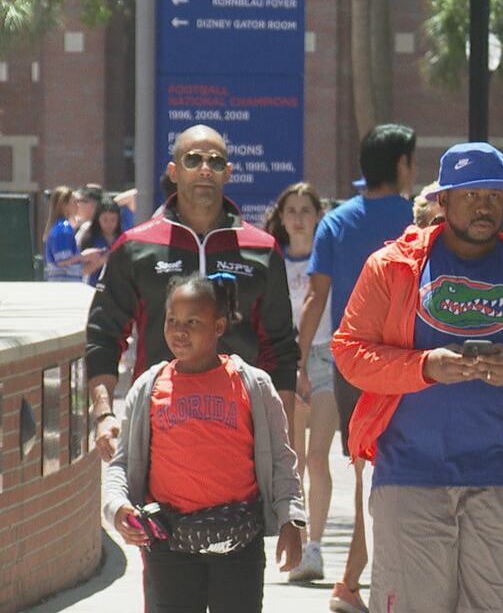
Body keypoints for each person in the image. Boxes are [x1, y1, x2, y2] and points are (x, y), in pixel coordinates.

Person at [331, 141, 503, 612]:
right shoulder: (392, 267)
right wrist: (425, 367)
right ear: (442, 201)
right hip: (410, 475)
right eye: (471, 194)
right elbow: (349, 353)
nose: (484, 205)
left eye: (495, 195)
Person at [85, 125, 300, 464]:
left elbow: (281, 349)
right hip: (157, 434)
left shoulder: (262, 249)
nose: (204, 168)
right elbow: (104, 336)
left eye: (215, 162)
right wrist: (103, 414)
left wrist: (282, 442)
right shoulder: (136, 248)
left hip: (242, 438)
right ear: (173, 171)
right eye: (193, 159)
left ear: (228, 173)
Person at [102, 273, 305, 613]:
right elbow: (122, 463)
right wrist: (117, 506)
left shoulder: (252, 385)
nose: (179, 331)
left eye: (193, 322)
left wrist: (291, 520)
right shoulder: (148, 387)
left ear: (219, 326)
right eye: (172, 321)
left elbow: (283, 461)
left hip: (239, 544)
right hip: (169, 545)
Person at [298, 123, 416, 613]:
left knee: (373, 470)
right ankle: (354, 584)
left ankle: (351, 583)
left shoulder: (336, 223)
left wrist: (298, 361)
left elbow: (314, 297)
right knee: (394, 473)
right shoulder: (418, 221)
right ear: (401, 165)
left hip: (353, 364)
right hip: (410, 362)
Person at [263, 182, 338, 584]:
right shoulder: (274, 261)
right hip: (287, 364)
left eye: (305, 210)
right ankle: (299, 537)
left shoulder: (328, 260)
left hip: (328, 358)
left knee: (317, 458)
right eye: (290, 209)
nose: (297, 217)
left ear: (317, 215)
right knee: (294, 460)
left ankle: (315, 548)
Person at [43, 186, 92, 282]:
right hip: (64, 287)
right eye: (74, 202)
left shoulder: (60, 227)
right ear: (64, 205)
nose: (77, 206)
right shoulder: (63, 228)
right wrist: (86, 256)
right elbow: (62, 261)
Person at [78, 200, 123, 287]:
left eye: (113, 220)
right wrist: (102, 261)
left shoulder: (123, 239)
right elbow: (83, 270)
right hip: (94, 287)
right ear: (98, 219)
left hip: (117, 289)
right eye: (105, 220)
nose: (109, 224)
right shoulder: (90, 239)